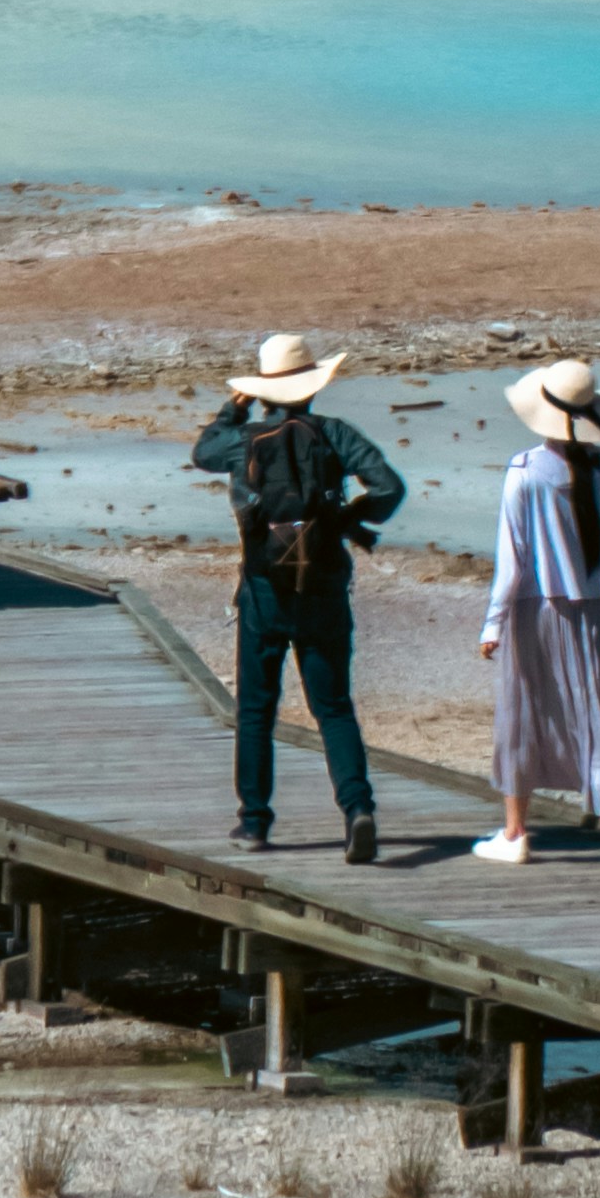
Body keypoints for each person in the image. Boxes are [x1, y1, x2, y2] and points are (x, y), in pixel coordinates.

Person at [188, 331, 406, 862]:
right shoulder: (334, 433)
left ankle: (254, 822)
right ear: (313, 386)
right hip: (324, 583)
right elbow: (389, 488)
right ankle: (357, 810)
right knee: (333, 707)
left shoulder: (244, 441)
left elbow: (202, 453)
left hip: (264, 589)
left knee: (256, 711)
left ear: (260, 391)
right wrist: (346, 520)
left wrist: (229, 411)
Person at [476, 354, 600, 870]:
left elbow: (512, 560)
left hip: (538, 608)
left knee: (522, 713)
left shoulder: (525, 472)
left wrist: (492, 624)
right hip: (597, 604)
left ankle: (515, 830)